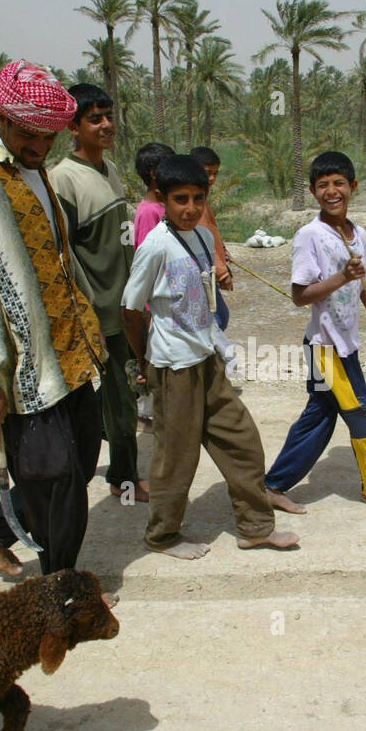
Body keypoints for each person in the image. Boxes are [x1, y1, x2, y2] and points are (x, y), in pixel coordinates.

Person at [0, 60, 107, 578]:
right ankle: (59, 589)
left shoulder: (39, 174)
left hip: (72, 355)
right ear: (1, 116)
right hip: (27, 372)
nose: (38, 145)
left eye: (47, 136)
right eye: (26, 133)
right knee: (53, 477)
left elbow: (60, 260)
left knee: (75, 465)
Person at [120, 154, 299, 559]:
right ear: (163, 199)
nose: (190, 207)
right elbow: (130, 310)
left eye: (198, 198)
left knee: (243, 442)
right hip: (174, 368)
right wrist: (145, 363)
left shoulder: (201, 238)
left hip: (207, 362)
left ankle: (254, 528)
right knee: (175, 460)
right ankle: (162, 536)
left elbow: (201, 298)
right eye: (180, 198)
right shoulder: (155, 247)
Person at [263, 151, 366, 513]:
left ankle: (273, 484)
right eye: (323, 185)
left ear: (353, 187)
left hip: (346, 346)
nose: (332, 191)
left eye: (339, 183)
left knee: (319, 415)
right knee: (362, 414)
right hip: (323, 348)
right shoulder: (309, 236)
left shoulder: (357, 234)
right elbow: (300, 296)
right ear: (314, 192)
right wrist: (341, 277)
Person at [188, 146, 234, 296]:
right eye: (208, 173)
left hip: (210, 270)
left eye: (215, 173)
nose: (212, 178)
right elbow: (202, 240)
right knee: (219, 316)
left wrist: (223, 250)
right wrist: (222, 274)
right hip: (204, 273)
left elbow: (210, 233)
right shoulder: (195, 203)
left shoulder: (203, 198)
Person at [133, 142, 176, 248]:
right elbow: (148, 253)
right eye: (170, 168)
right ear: (153, 174)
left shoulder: (165, 205)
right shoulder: (148, 212)